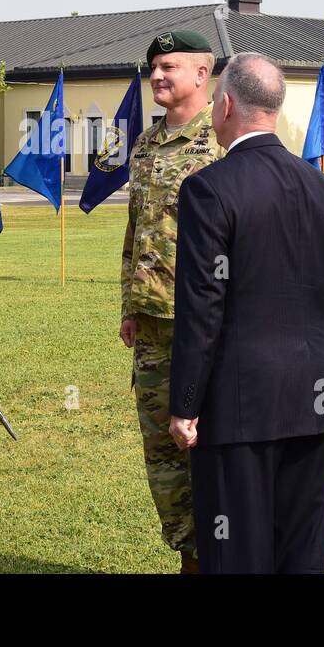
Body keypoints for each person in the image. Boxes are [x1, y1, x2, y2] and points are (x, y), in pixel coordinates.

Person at [168, 53, 324, 574]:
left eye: (214, 101)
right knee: (301, 550)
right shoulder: (323, 188)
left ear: (226, 103)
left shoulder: (208, 188)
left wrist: (185, 403)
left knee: (234, 553)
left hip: (236, 404)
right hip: (312, 396)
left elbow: (202, 303)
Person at [119, 29, 222, 573]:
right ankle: (190, 553)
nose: (157, 75)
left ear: (202, 75)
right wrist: (129, 306)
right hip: (153, 324)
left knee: (208, 444)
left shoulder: (222, 143)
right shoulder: (145, 143)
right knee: (161, 451)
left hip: (206, 325)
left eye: (169, 66)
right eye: (154, 67)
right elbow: (137, 230)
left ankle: (219, 552)